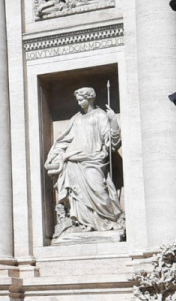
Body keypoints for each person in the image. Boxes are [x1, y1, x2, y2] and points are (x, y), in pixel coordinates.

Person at [45, 87, 125, 239]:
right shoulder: (76, 118)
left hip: (94, 160)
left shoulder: (100, 115)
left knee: (99, 190)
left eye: (81, 99)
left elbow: (111, 142)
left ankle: (108, 220)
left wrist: (113, 120)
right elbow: (64, 140)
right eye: (78, 100)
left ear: (90, 99)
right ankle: (84, 223)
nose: (79, 102)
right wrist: (55, 156)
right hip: (74, 161)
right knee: (78, 195)